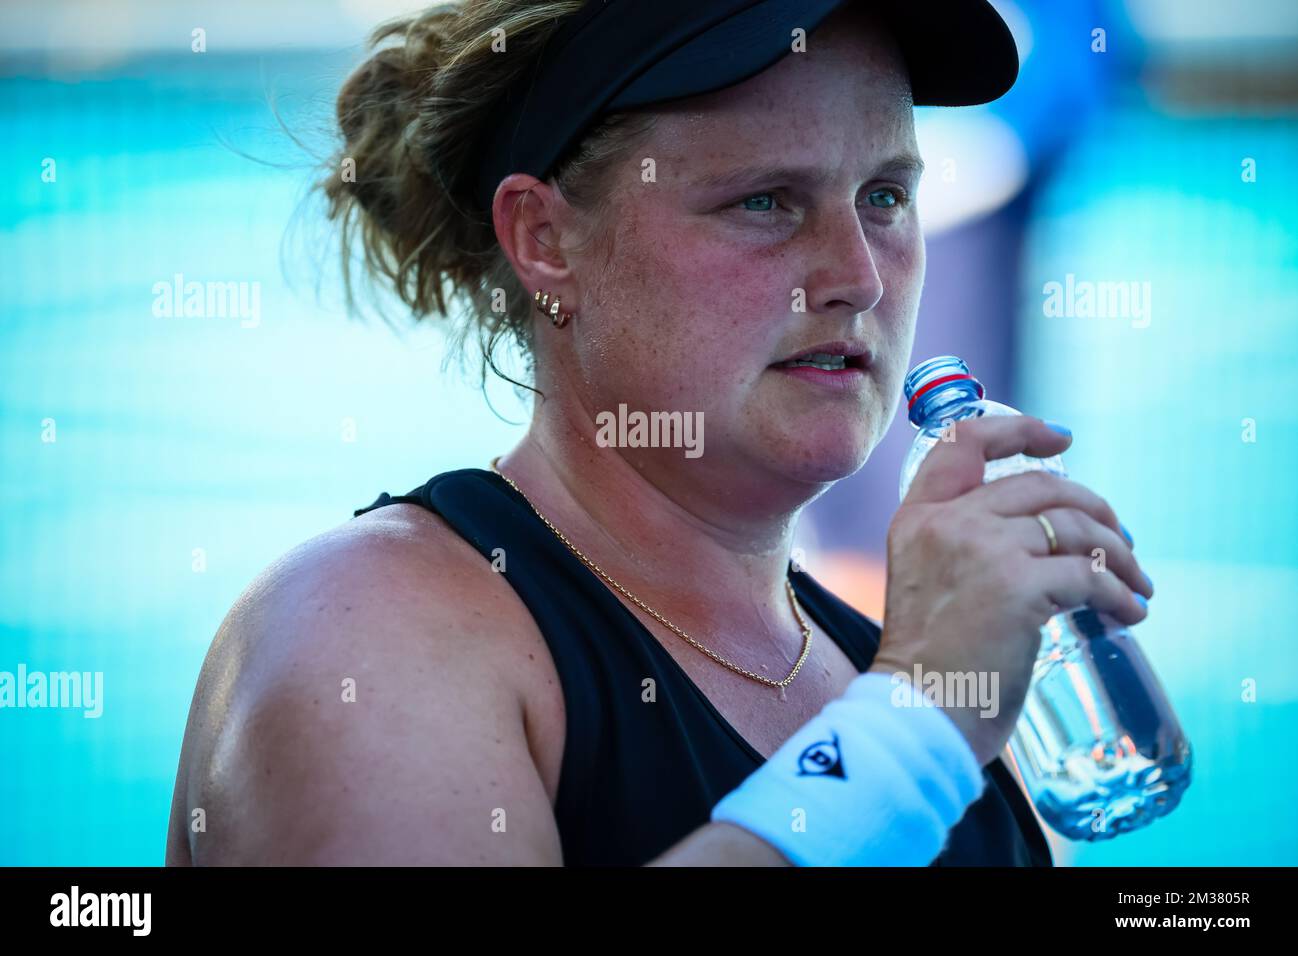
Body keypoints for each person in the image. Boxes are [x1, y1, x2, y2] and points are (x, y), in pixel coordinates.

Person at [165, 0, 1154, 866]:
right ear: (545, 239)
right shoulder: (371, 623)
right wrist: (913, 734)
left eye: (885, 196)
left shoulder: (882, 669)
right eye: (765, 201)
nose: (857, 271)